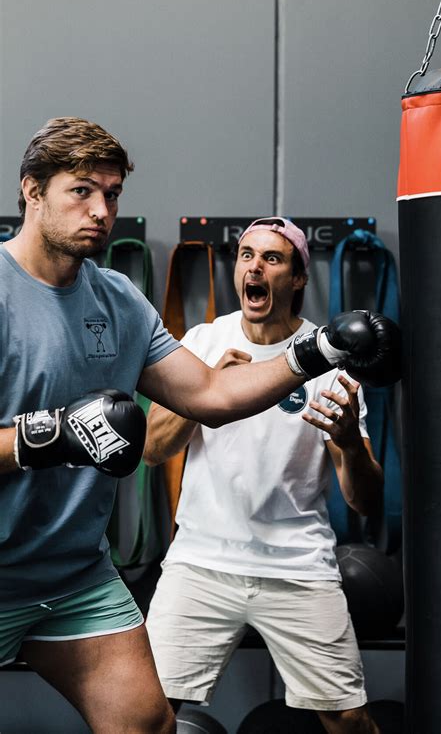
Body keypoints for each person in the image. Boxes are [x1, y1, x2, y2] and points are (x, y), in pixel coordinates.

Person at [0, 118, 397, 734]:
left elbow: (209, 393)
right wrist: (48, 436)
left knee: (146, 724)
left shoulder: (118, 300)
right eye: (82, 190)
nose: (102, 210)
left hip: (75, 575)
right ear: (31, 190)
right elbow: (150, 441)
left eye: (112, 194)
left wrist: (315, 352)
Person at [144, 217, 385, 734]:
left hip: (298, 566)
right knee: (146, 715)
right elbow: (149, 449)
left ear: (297, 279)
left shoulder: (331, 359)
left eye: (272, 259)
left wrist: (346, 442)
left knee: (347, 718)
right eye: (247, 255)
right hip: (201, 563)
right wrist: (208, 396)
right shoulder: (205, 342)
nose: (254, 267)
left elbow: (365, 500)